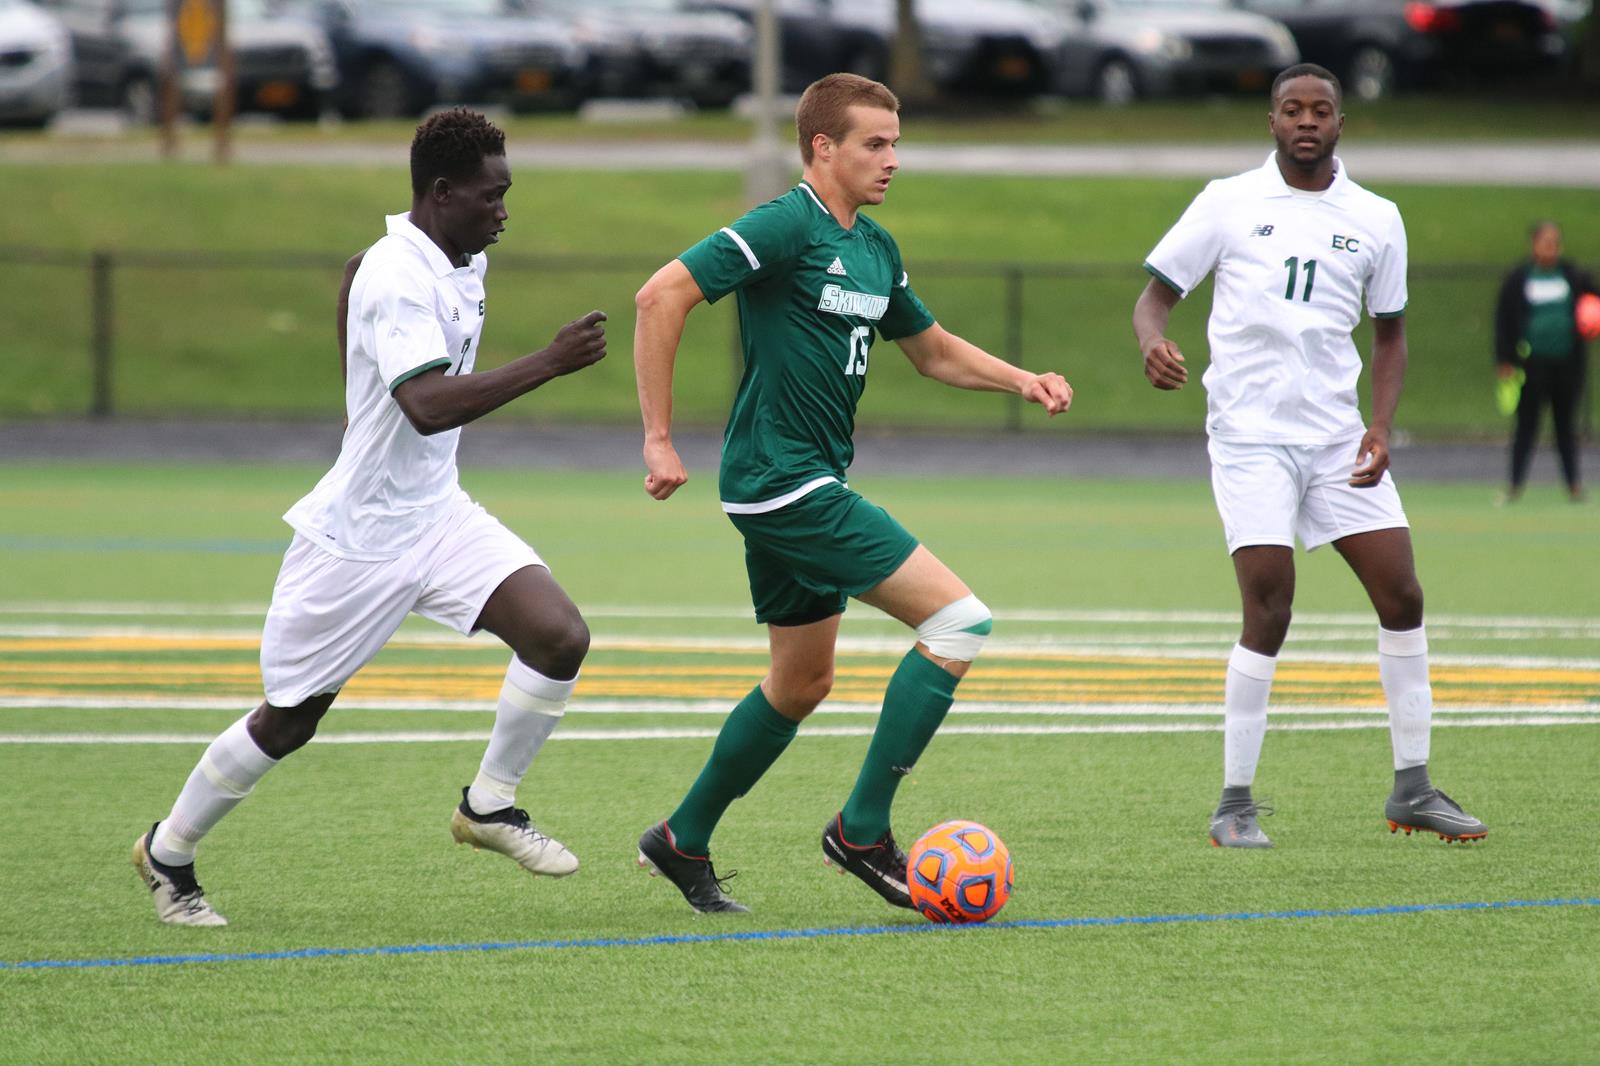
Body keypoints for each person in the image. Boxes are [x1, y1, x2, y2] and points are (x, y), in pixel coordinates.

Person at [130, 108, 610, 926]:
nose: (504, 211)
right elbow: (424, 404)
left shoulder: (451, 256)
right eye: (492, 197)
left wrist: (358, 395)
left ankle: (489, 806)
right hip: (358, 540)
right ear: (443, 191)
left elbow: (352, 279)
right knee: (290, 719)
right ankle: (167, 851)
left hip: (438, 516)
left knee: (560, 634)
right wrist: (550, 362)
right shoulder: (400, 273)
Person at [631, 73, 1072, 913]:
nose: (891, 159)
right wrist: (658, 436)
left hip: (805, 481)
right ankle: (861, 832)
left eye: (896, 143)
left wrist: (1023, 380)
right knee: (958, 621)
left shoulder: (874, 247)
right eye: (875, 143)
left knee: (799, 684)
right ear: (822, 148)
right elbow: (662, 294)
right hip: (782, 482)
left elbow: (932, 350)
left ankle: (681, 839)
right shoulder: (785, 224)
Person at [1132, 63, 1486, 849]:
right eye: (1291, 108)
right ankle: (1234, 804)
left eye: (1319, 109)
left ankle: (1414, 788)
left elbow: (1389, 333)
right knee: (1271, 603)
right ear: (1271, 122)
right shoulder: (1228, 202)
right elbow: (1154, 296)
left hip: (1336, 438)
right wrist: (1155, 342)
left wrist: (1382, 426)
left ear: (1338, 124)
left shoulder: (1377, 217)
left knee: (1403, 594)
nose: (1305, 120)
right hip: (1250, 435)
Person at [1495, 220, 1596, 503]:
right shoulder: (1519, 278)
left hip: (1566, 365)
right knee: (1526, 426)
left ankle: (1574, 485)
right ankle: (1514, 485)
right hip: (1530, 366)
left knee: (1565, 425)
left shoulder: (1573, 276)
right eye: (1545, 242)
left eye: (1555, 242)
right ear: (1534, 244)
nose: (1551, 248)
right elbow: (1504, 321)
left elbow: (1592, 304)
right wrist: (1505, 359)